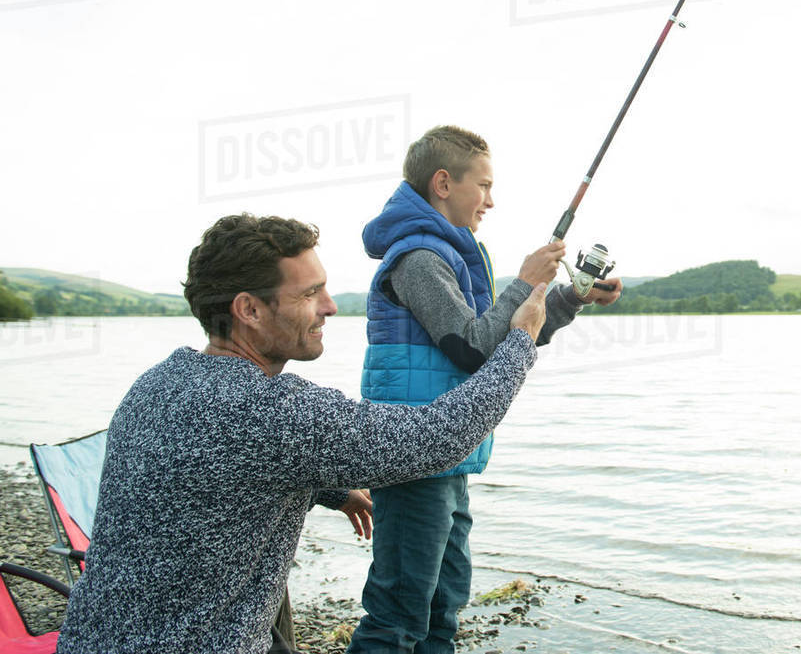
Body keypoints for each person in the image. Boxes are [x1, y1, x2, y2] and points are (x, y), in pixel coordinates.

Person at [54, 213, 549, 654]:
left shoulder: (158, 384)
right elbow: (439, 437)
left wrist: (332, 490)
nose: (330, 307)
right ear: (249, 309)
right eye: (310, 293)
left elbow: (219, 469)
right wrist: (521, 340)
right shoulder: (270, 408)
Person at [347, 126, 621, 654]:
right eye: (485, 186)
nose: (491, 201)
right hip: (413, 460)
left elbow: (499, 334)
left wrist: (568, 296)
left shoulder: (450, 253)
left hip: (448, 459)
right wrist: (523, 281)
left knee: (444, 607)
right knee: (398, 617)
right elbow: (471, 348)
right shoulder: (419, 259)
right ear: (444, 183)